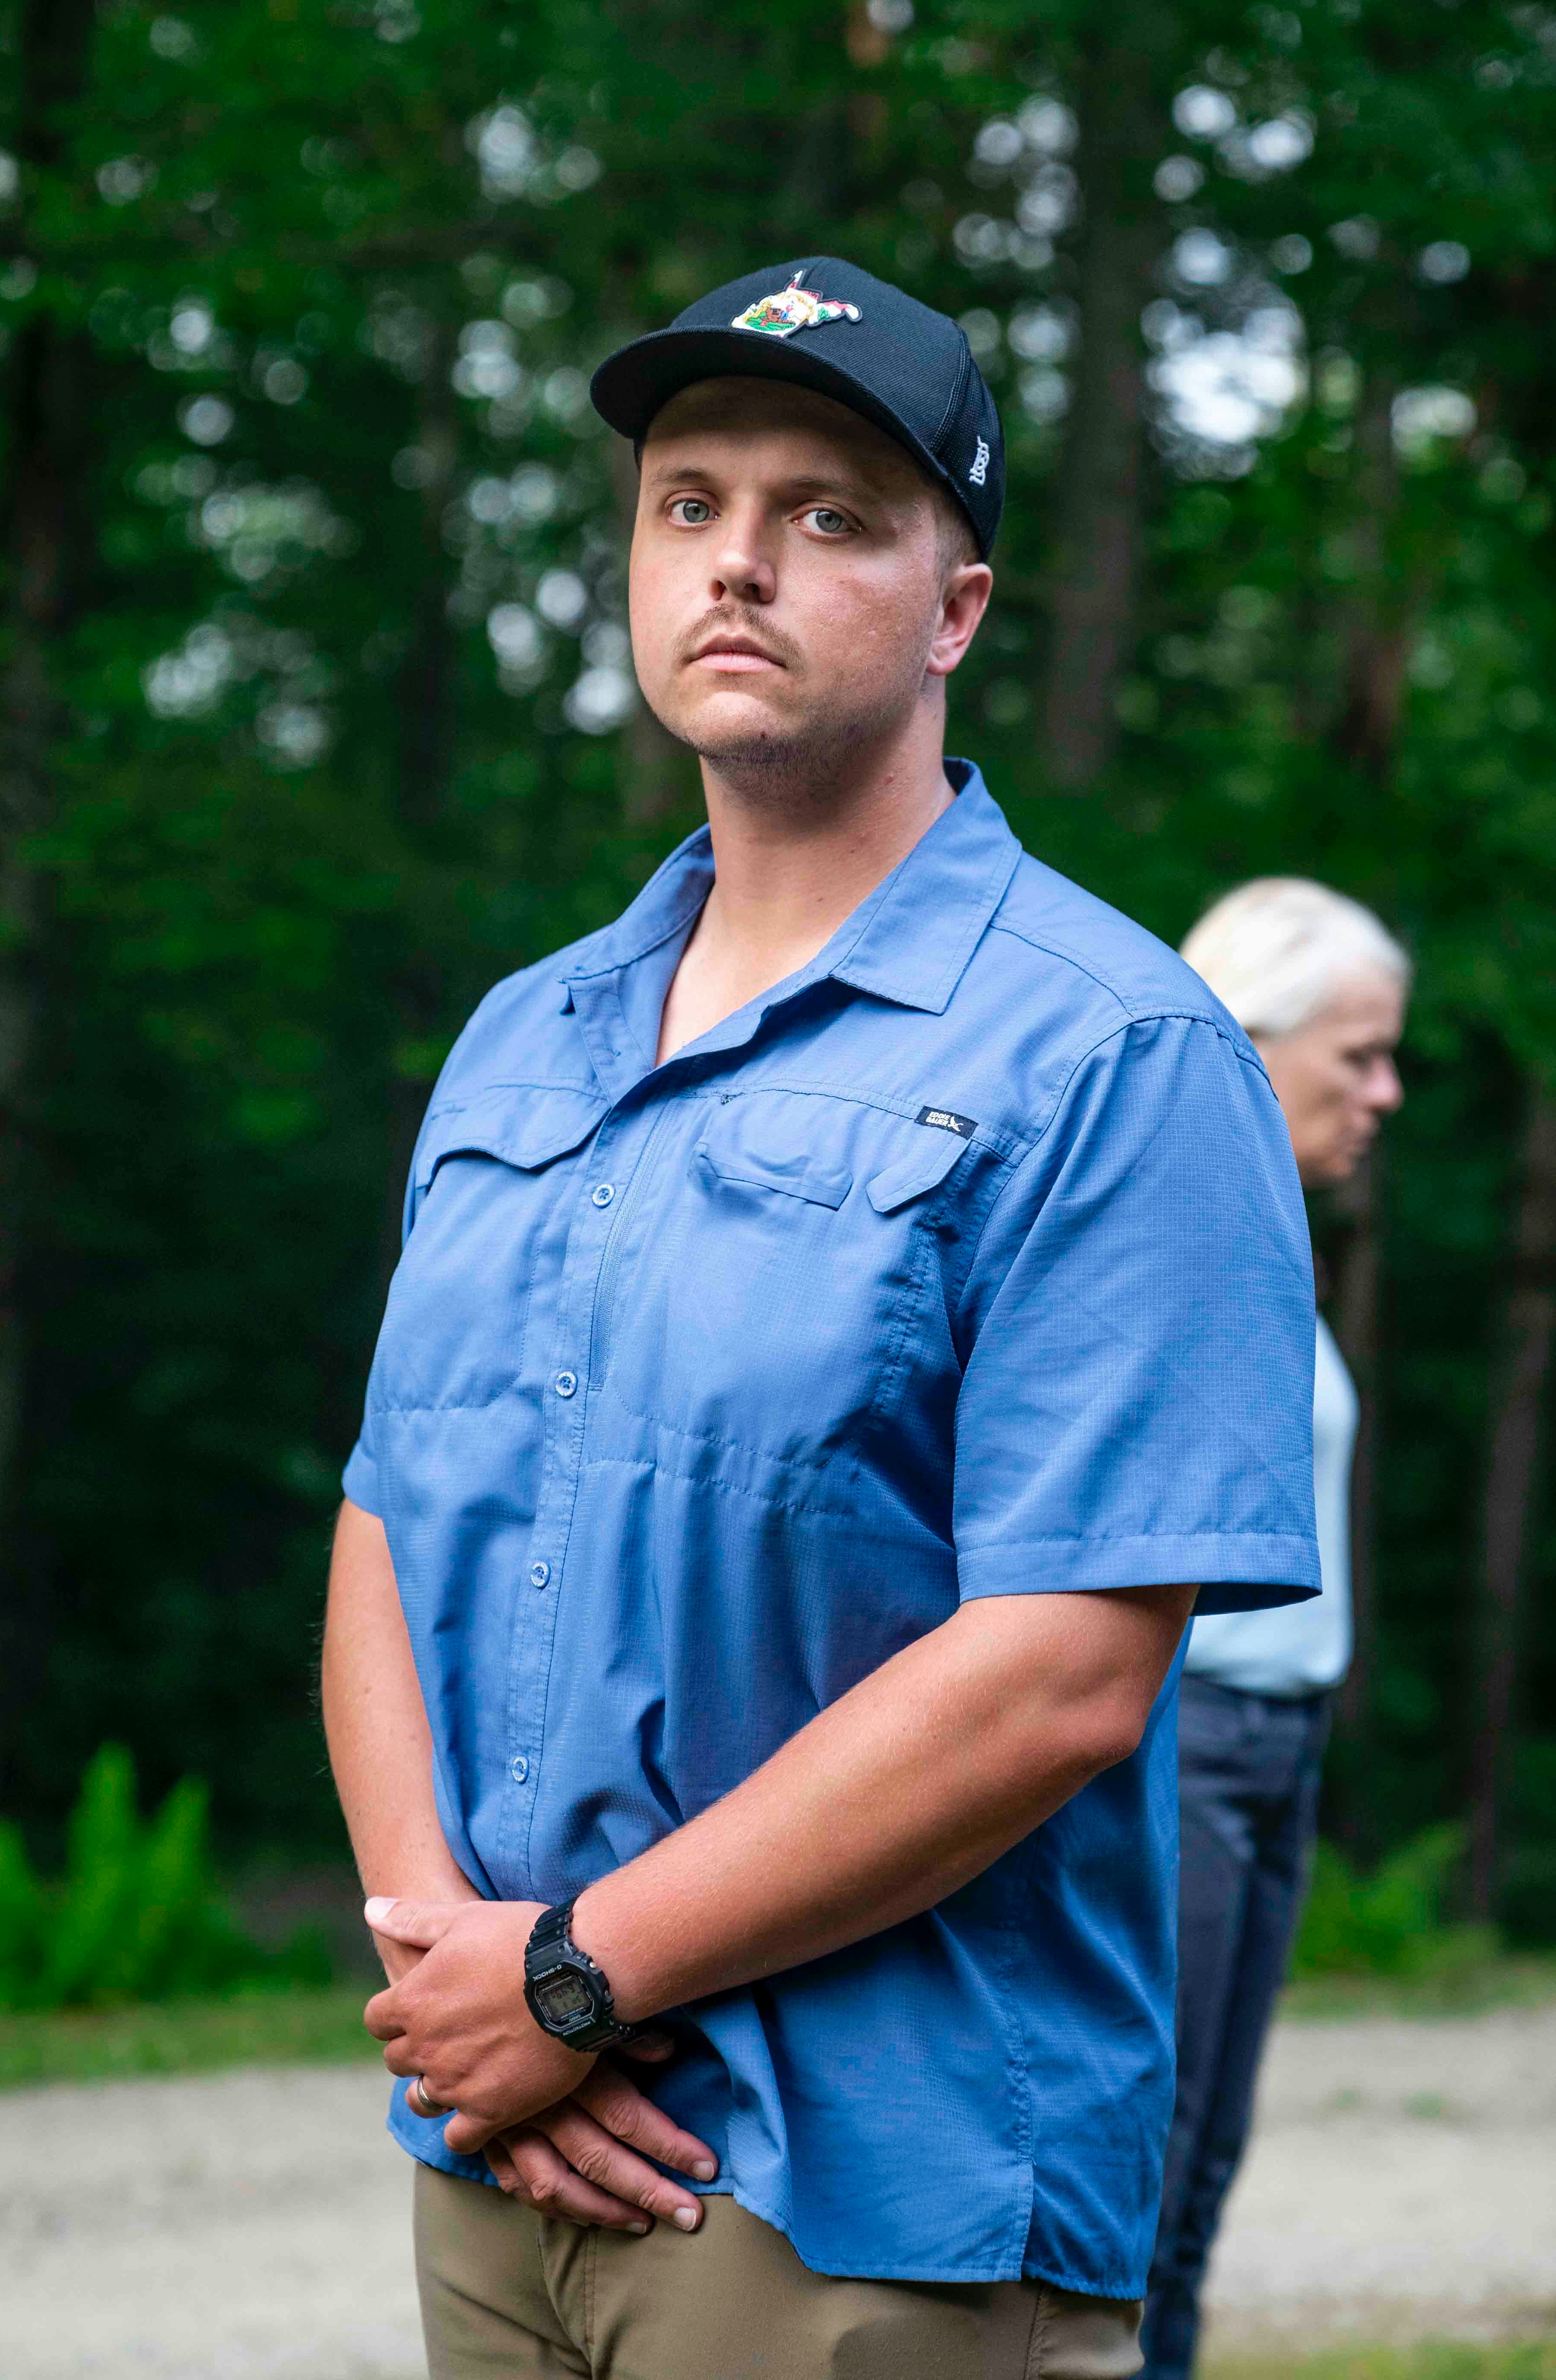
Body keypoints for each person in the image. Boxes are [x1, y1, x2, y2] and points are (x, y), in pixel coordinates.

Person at [322, 256, 1322, 2380]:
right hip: (499, 2157)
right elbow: (388, 1521)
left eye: (830, 513)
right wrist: (459, 1988)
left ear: (955, 606)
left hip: (875, 2203)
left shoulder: (1117, 1054)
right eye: (686, 503)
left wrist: (575, 1979)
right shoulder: (525, 1040)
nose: (739, 563)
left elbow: (1060, 1666)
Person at [1141, 878, 1409, 2380]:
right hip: (1184, 1745)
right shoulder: (1171, 1229)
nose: (1383, 1093)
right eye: (1358, 1056)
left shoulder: (1262, 1232)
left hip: (1269, 1754)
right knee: (1154, 2181)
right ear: (1252, 1039)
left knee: (1198, 2181)